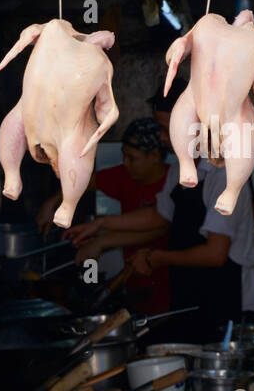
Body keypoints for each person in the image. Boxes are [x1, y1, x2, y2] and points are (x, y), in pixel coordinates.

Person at [67, 151, 254, 343]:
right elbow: (159, 217)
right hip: (190, 300)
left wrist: (157, 257)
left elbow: (215, 253)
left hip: (228, 304)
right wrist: (100, 228)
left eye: (166, 128)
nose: (162, 137)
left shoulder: (225, 174)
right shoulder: (179, 169)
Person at [38, 118, 172, 314]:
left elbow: (160, 226)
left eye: (132, 158)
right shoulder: (125, 177)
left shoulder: (173, 183)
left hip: (169, 287)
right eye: (123, 156)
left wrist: (101, 238)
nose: (125, 163)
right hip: (134, 285)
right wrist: (54, 201)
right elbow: (85, 182)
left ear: (154, 156)